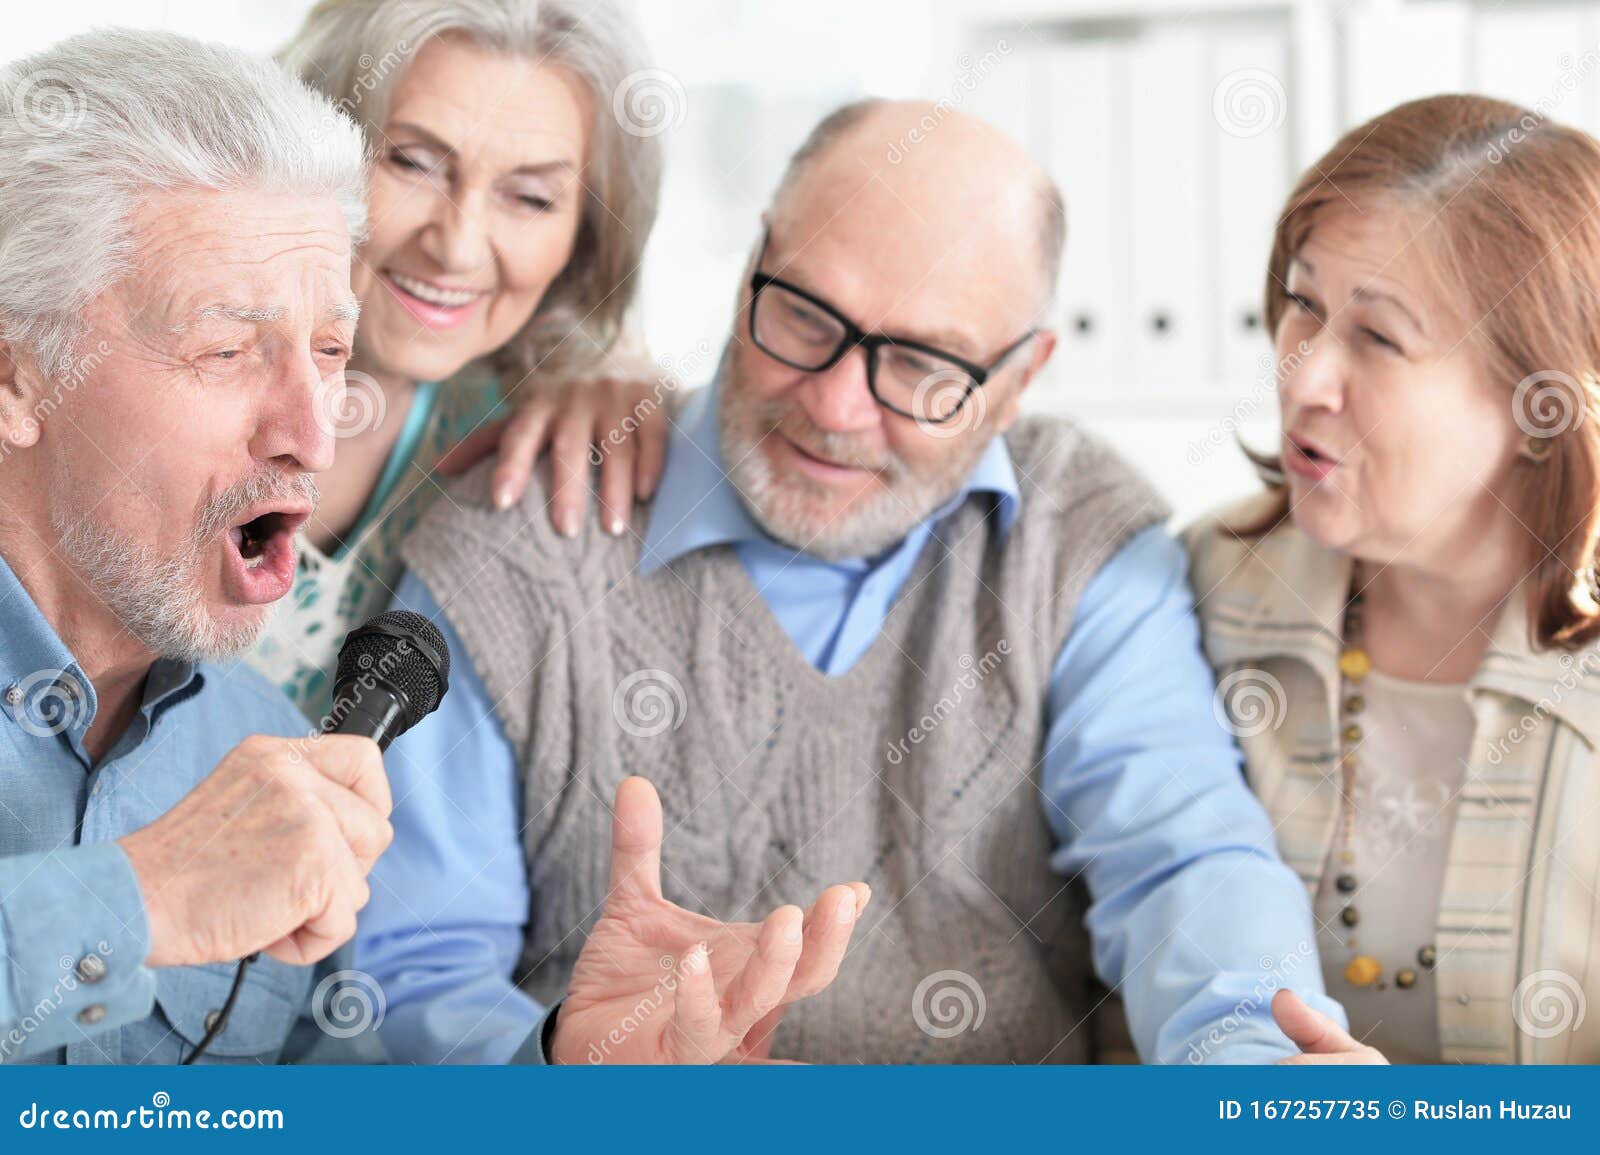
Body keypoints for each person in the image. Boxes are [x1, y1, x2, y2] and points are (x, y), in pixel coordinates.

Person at [359, 98, 1347, 1064]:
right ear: (752, 264)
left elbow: (1178, 858)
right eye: (804, 315)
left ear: (1019, 380)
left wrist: (1259, 1063)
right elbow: (412, 975)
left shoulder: (1077, 533)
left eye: (922, 366)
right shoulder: (516, 541)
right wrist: (563, 1068)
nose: (835, 406)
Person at [0, 27, 861, 1067]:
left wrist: (566, 1078)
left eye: (332, 351)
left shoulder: (263, 750)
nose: (314, 435)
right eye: (224, 350)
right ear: (16, 377)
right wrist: (136, 901)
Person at [1188, 94, 1600, 1065]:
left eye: (1378, 338)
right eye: (1303, 304)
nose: (1302, 378)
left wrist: (1423, 1126)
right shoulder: (1199, 588)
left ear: (1540, 406)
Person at [256, 0, 675, 719]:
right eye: (412, 162)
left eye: (531, 198)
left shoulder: (515, 431)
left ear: (584, 239)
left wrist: (624, 382)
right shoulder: (140, 368)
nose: (456, 247)